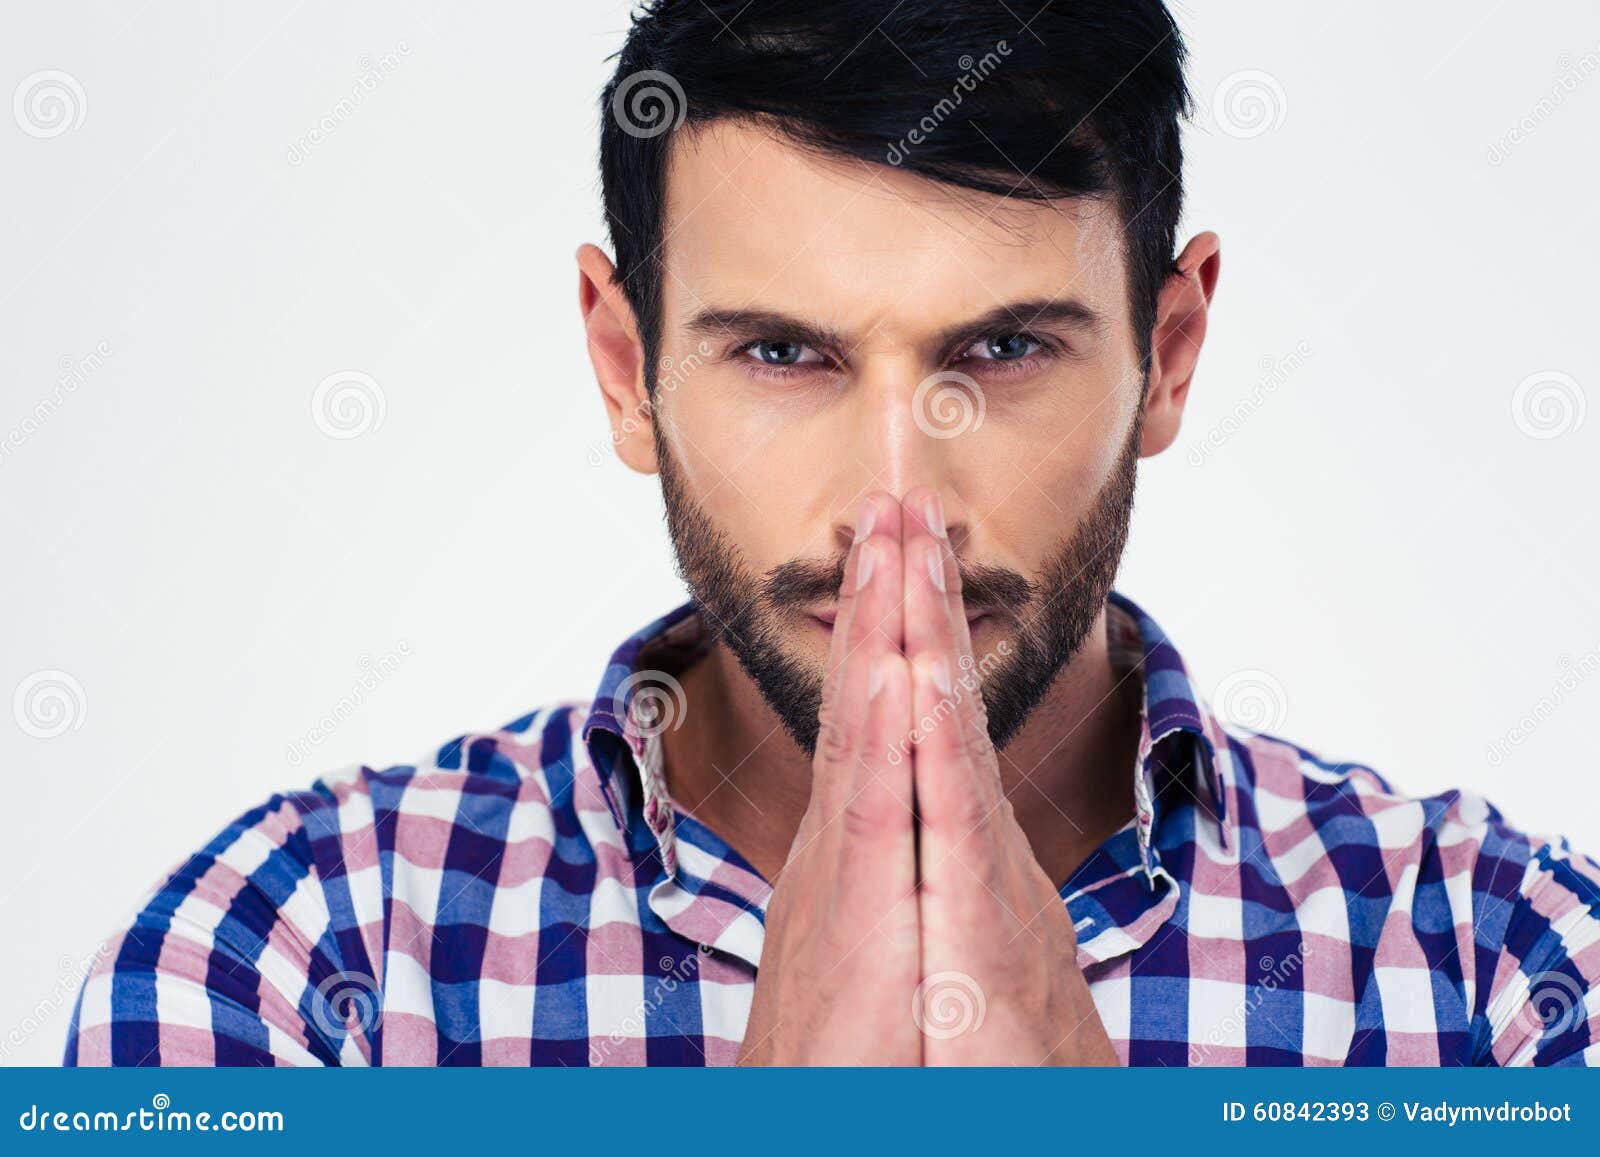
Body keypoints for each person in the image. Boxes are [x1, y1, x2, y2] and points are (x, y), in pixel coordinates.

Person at [67, 0, 1599, 1066]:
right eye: (784, 354)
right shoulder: (290, 956)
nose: (895, 505)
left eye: (1004, 349)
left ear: (1171, 353)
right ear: (626, 366)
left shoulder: (1505, 970)